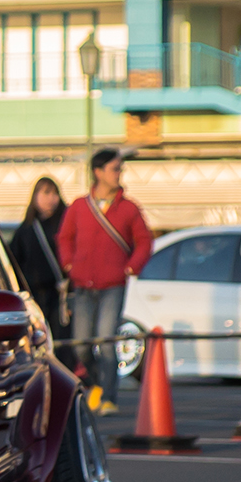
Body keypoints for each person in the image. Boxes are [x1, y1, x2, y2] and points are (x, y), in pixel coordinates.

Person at [57, 147, 153, 414]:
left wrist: (132, 266)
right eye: (114, 168)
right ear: (98, 172)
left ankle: (109, 397)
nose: (119, 173)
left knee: (107, 341)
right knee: (81, 344)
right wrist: (68, 263)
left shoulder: (129, 208)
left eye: (120, 168)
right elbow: (65, 237)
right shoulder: (79, 206)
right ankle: (97, 383)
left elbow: (144, 240)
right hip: (83, 285)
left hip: (113, 284)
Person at [10, 176, 75, 371]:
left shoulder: (66, 223)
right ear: (35, 197)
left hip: (61, 295)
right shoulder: (27, 228)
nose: (51, 199)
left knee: (64, 345)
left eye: (55, 193)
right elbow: (14, 261)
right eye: (46, 193)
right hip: (36, 297)